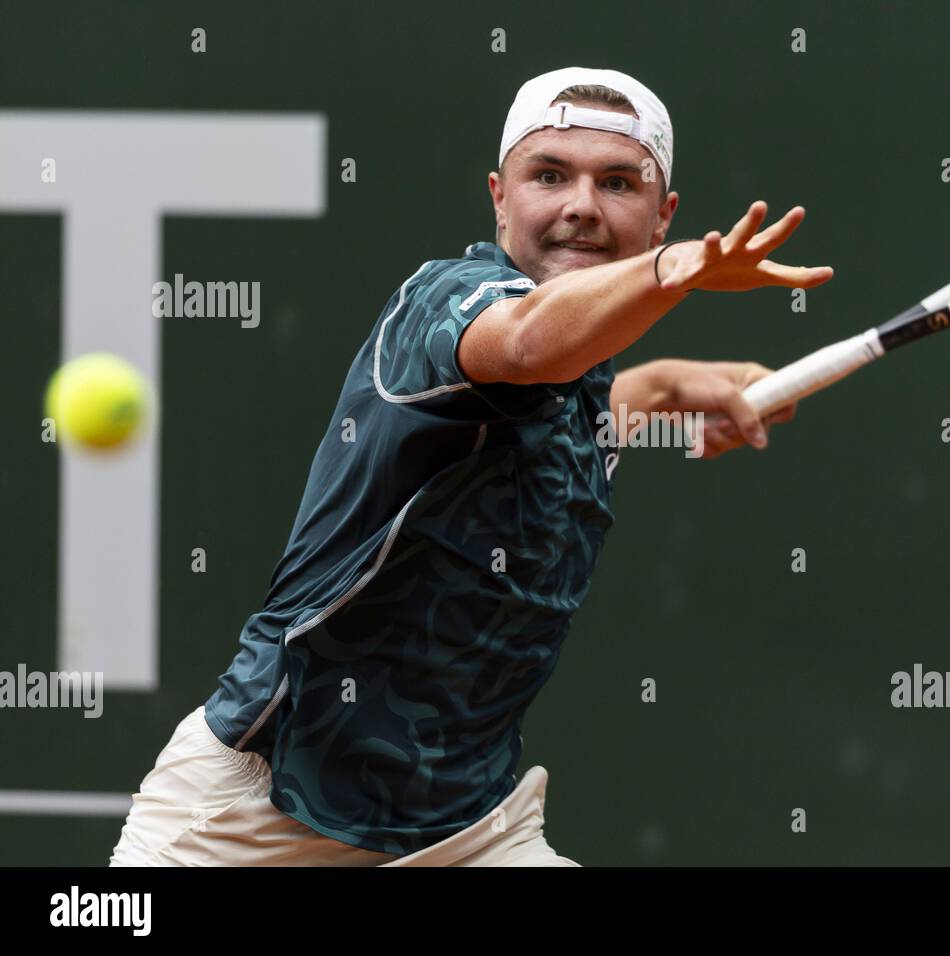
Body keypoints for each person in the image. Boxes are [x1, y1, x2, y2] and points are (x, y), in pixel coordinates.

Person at [109, 65, 832, 867]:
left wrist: (663, 386)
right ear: (499, 197)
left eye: (617, 183)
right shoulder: (446, 303)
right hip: (249, 814)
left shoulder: (580, 373)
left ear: (662, 215)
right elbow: (527, 345)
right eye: (549, 175)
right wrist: (673, 273)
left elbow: (555, 422)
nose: (581, 206)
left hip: (462, 830)